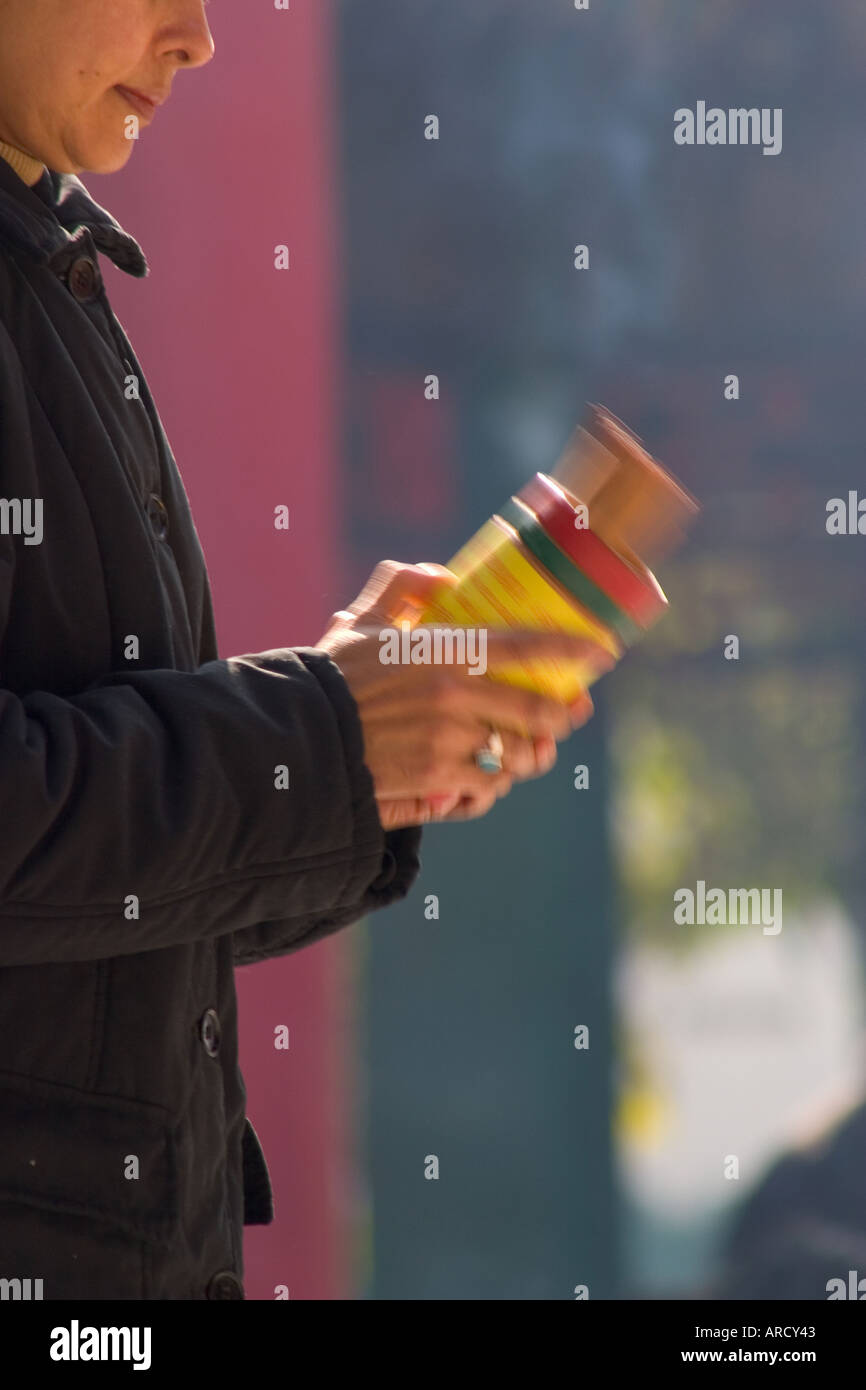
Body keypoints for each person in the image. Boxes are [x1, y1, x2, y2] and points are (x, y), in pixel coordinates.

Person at [0, 0, 610, 1299]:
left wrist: (361, 756)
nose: (197, 38)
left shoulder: (51, 270)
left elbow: (98, 904)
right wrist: (320, 736)